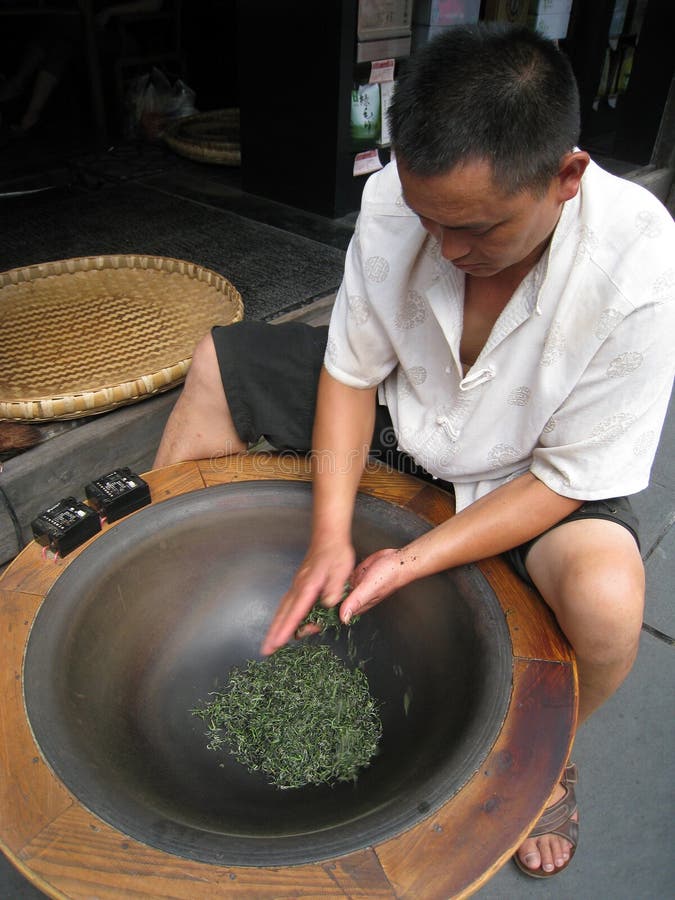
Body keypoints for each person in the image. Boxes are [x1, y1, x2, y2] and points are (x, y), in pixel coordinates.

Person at [153, 24, 675, 879]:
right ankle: (184, 621)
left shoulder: (640, 266)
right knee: (217, 364)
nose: (447, 251)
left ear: (564, 178)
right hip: (409, 414)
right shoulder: (401, 197)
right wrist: (330, 536)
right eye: (430, 222)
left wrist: (407, 560)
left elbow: (570, 477)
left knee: (609, 600)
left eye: (477, 230)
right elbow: (352, 373)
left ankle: (545, 764)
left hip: (527, 469)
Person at [0, 1, 163, 135]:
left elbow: (155, 4)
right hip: (97, 31)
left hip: (129, 35)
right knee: (59, 42)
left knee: (59, 30)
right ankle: (31, 112)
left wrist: (111, 11)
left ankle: (18, 85)